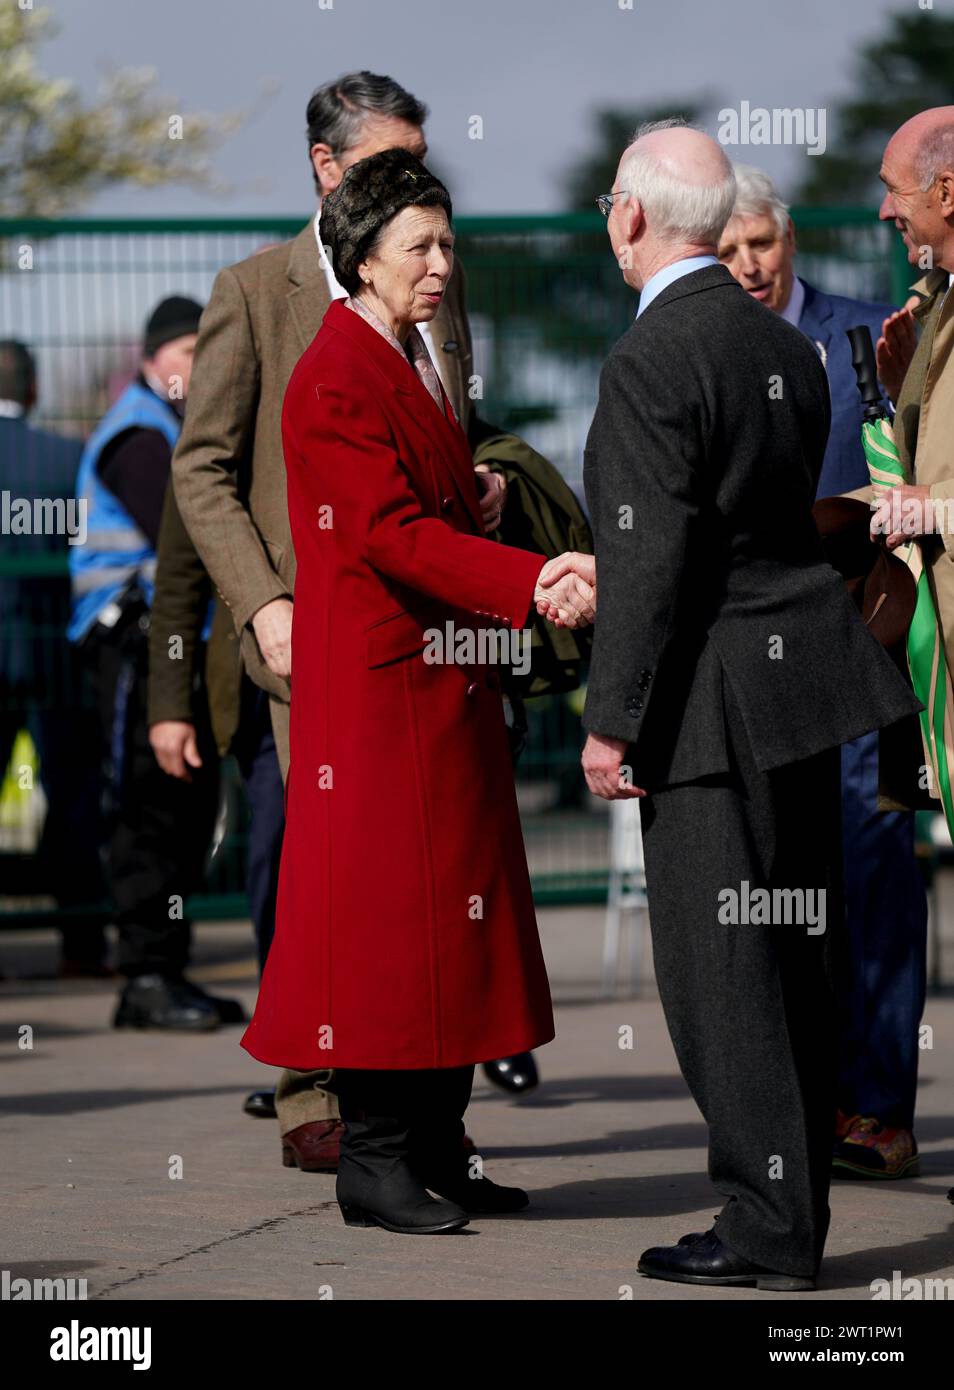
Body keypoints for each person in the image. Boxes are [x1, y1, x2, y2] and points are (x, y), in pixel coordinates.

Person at [580, 119, 920, 1289]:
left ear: (631, 216)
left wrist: (609, 716)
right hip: (800, 691)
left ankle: (766, 1228)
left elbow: (653, 558)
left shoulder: (649, 360)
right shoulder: (782, 344)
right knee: (795, 960)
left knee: (721, 977)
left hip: (708, 706)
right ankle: (795, 1209)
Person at [170, 71, 531, 1166]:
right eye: (388, 162)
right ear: (328, 172)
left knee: (423, 876)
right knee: (325, 869)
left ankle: (419, 1118)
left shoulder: (433, 282)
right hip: (314, 636)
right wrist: (264, 601)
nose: (414, 182)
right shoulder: (255, 291)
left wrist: (489, 484)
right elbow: (203, 470)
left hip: (432, 637)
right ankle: (318, 1101)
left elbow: (451, 435)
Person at [240, 147, 597, 1235]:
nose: (442, 263)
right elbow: (392, 535)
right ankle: (377, 1162)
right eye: (419, 246)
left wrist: (483, 498)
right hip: (385, 699)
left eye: (447, 242)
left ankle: (438, 1147)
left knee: (452, 927)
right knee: (392, 936)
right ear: (360, 256)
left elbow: (421, 507)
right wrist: (533, 578)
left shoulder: (404, 355)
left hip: (435, 686)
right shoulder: (338, 371)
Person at [718, 165, 928, 1181]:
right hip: (748, 656)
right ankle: (793, 1106)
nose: (750, 266)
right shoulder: (696, 345)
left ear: (789, 238)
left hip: (864, 639)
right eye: (727, 251)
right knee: (770, 884)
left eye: (763, 243)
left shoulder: (873, 336)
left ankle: (879, 1105)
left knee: (875, 865)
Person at [67, 298, 240, 1030]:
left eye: (206, 353)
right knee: (148, 806)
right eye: (183, 354)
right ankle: (144, 975)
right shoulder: (138, 435)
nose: (196, 368)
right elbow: (185, 536)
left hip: (162, 647)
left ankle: (163, 970)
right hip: (133, 648)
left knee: (177, 808)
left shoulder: (168, 427)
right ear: (148, 362)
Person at [0, 341, 107, 972]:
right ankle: (83, 943)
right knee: (73, 797)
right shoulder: (68, 459)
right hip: (54, 657)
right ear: (34, 390)